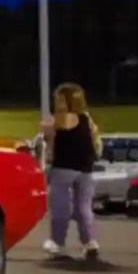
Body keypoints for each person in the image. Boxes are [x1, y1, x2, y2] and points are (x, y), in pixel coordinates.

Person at [41, 83, 103, 261]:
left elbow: (47, 137)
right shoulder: (86, 119)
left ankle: (57, 243)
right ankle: (90, 242)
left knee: (61, 207)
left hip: (63, 168)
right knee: (84, 208)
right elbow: (96, 141)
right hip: (85, 169)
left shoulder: (56, 120)